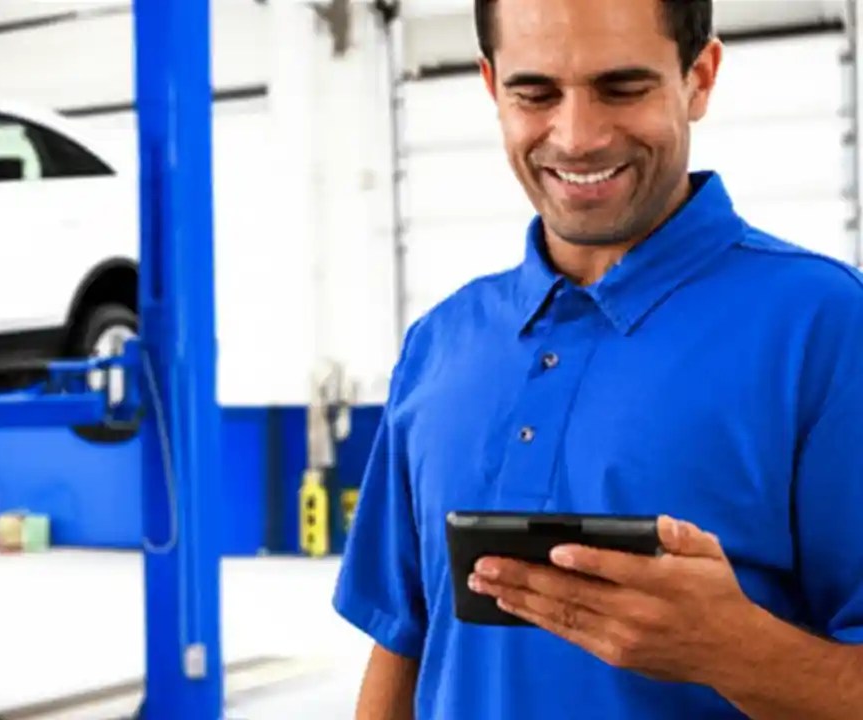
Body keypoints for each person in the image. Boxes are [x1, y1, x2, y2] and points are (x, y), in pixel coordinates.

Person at [332, 0, 863, 717]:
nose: (577, 137)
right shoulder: (440, 341)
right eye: (536, 93)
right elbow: (403, 641)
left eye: (622, 88)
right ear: (493, 88)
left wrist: (737, 650)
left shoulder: (826, 325)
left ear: (699, 77)